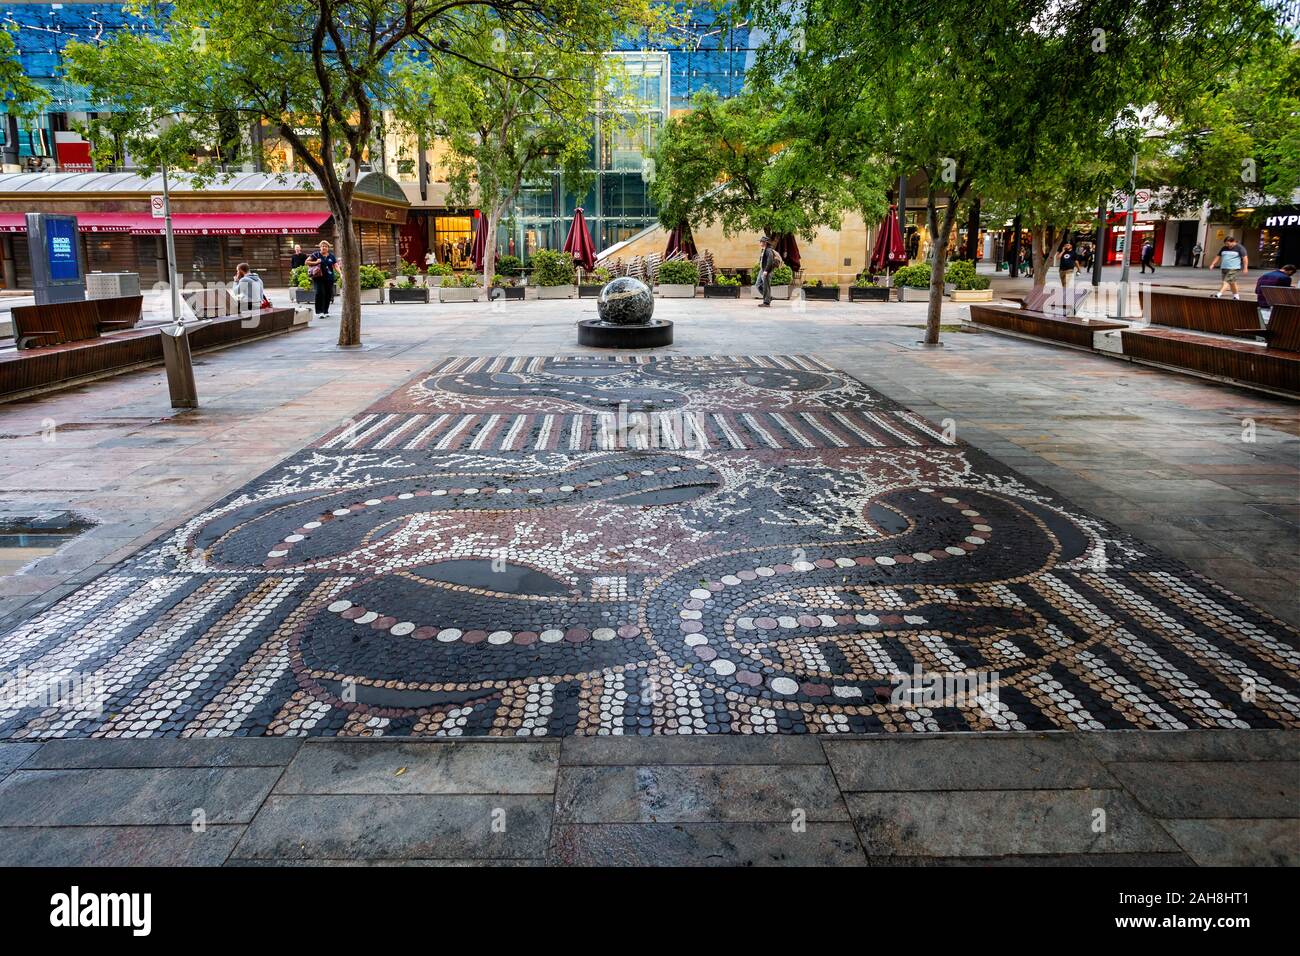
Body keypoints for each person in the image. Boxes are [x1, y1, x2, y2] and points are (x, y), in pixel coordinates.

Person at [305, 240, 339, 318]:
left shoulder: (331, 256)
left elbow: (335, 265)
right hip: (318, 278)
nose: (324, 247)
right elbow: (306, 262)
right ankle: (319, 312)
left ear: (328, 248)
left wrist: (340, 273)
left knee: (328, 294)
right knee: (319, 293)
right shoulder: (315, 255)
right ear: (320, 247)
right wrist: (316, 262)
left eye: (325, 246)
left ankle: (325, 311)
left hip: (329, 278)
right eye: (322, 246)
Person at [756, 235, 784, 307]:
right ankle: (768, 297)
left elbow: (770, 261)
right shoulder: (763, 250)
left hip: (766, 270)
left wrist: (766, 270)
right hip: (762, 269)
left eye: (761, 241)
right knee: (758, 285)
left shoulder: (768, 250)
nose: (760, 242)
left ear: (765, 243)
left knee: (766, 286)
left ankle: (766, 302)